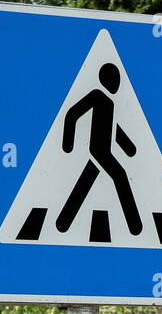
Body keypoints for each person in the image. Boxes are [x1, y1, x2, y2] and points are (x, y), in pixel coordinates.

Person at [56, 63, 142, 235]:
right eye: (115, 79)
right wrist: (67, 144)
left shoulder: (109, 103)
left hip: (101, 151)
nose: (117, 84)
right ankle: (135, 226)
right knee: (120, 176)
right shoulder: (96, 96)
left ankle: (62, 223)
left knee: (86, 181)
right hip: (98, 150)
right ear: (107, 80)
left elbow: (112, 130)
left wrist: (129, 148)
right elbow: (72, 114)